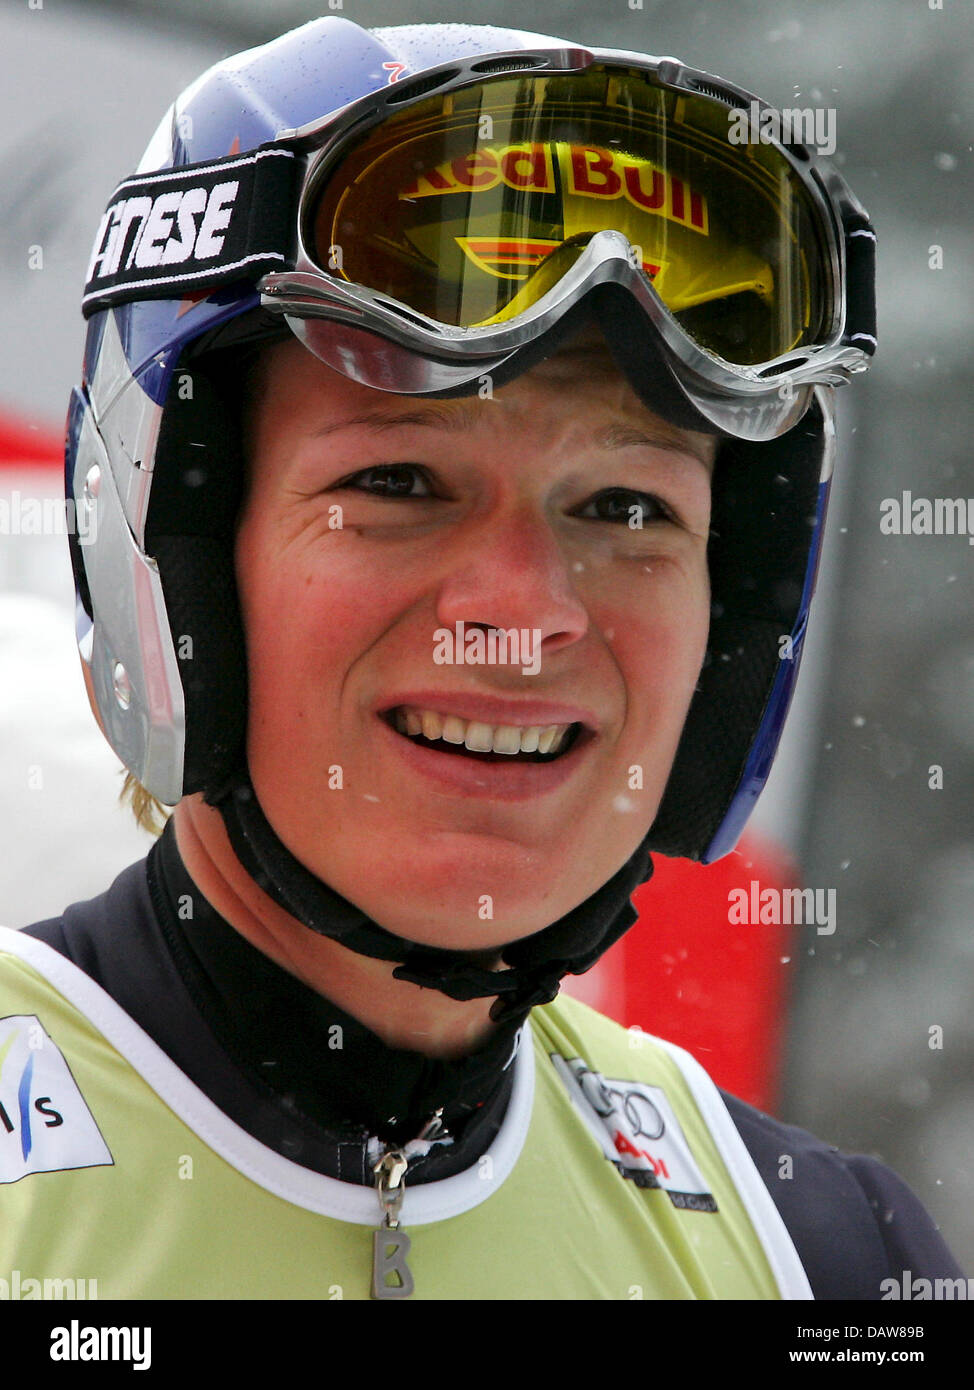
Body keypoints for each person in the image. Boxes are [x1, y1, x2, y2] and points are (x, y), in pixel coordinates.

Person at [0, 17, 961, 1300]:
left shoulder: (822, 1260)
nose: (520, 616)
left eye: (625, 510)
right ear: (173, 559)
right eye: (397, 481)